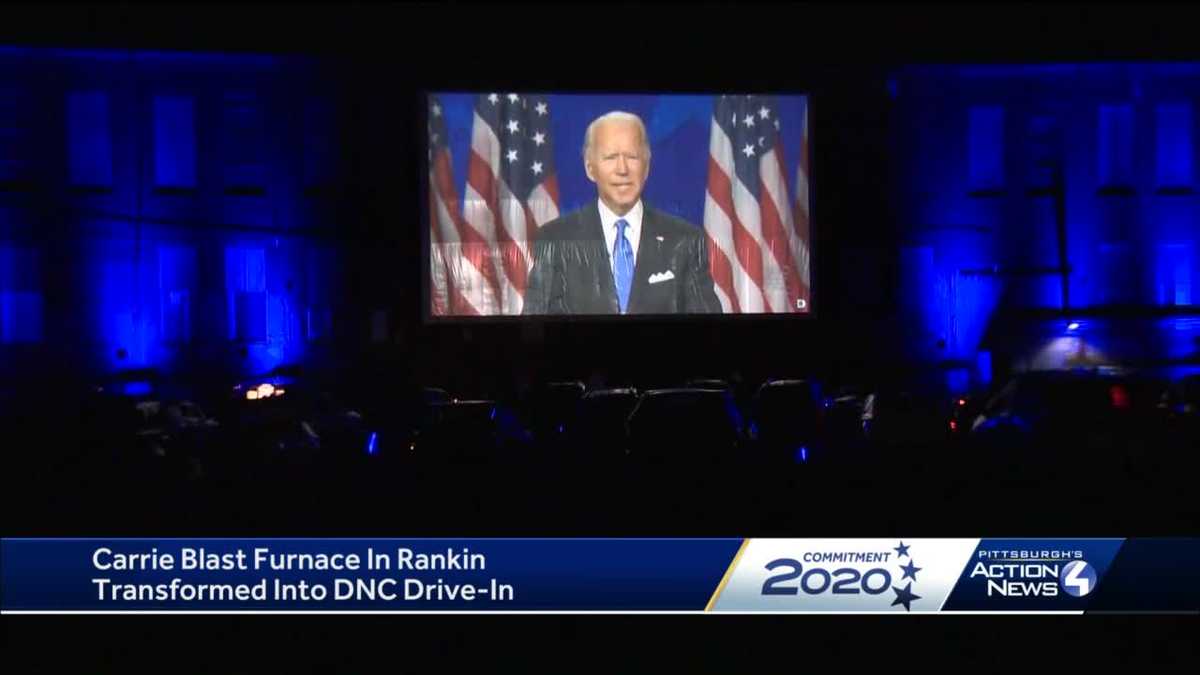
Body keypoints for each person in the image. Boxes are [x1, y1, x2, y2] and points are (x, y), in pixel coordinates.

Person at [522, 111, 722, 315]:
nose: (622, 169)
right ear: (590, 169)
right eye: (610, 157)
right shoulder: (555, 240)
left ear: (646, 167)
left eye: (632, 157)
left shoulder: (685, 240)